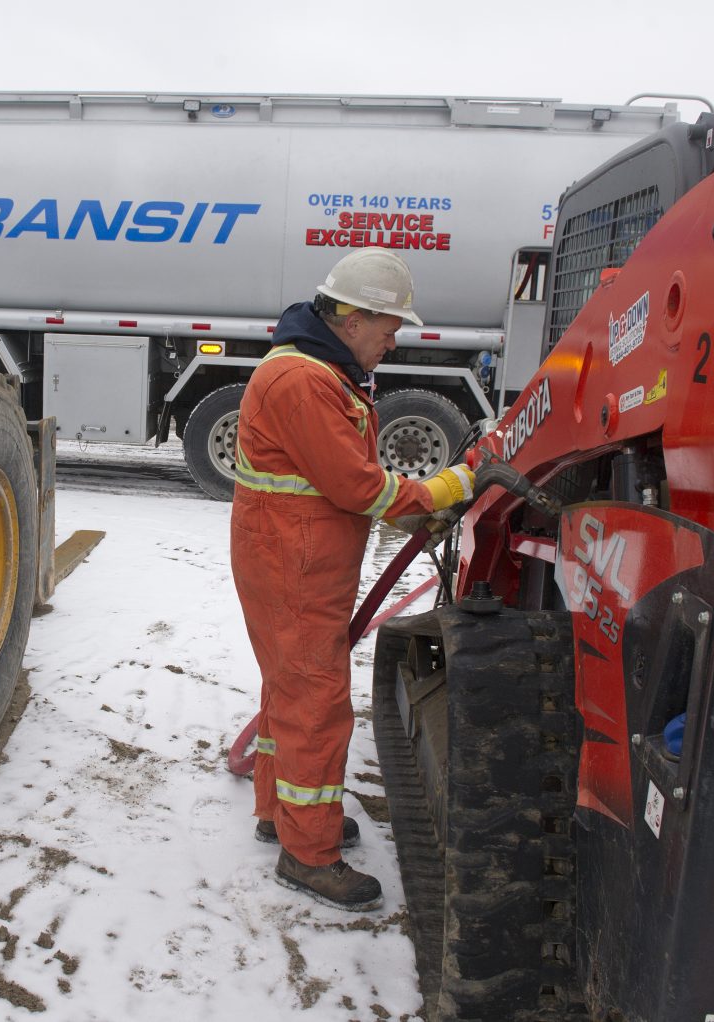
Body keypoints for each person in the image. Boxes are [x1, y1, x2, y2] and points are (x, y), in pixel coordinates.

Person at [231, 248, 475, 911]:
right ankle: (308, 855)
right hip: (295, 566)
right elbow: (359, 487)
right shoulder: (302, 381)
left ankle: (282, 814)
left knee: (291, 690)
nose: (392, 342)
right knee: (315, 704)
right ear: (353, 319)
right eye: (389, 329)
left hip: (294, 559)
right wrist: (447, 486)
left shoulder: (318, 371)